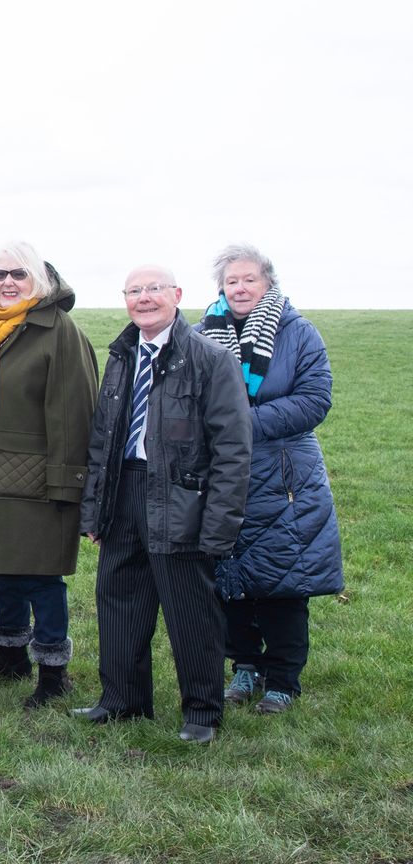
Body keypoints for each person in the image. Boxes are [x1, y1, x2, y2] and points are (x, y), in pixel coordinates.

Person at [72, 264, 251, 744]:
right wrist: (94, 510)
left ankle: (202, 712)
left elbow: (234, 451)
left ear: (177, 295)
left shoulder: (211, 360)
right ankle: (122, 701)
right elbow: (102, 438)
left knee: (190, 609)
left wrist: (218, 528)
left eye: (154, 289)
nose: (144, 298)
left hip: (180, 496)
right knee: (118, 600)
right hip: (124, 491)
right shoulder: (121, 355)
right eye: (134, 290)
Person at [198, 244, 343, 715]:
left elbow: (314, 400)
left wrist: (238, 422)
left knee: (285, 579)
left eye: (249, 280)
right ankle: (244, 665)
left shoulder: (297, 333)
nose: (239, 288)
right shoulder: (202, 333)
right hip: (222, 473)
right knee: (230, 574)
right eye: (231, 281)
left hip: (284, 478)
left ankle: (283, 678)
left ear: (268, 283)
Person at [0, 242, 99, 708]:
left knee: (40, 574)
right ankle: (9, 655)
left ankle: (53, 673)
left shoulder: (58, 331)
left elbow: (74, 413)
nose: (8, 282)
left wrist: (66, 483)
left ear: (39, 280)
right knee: (4, 567)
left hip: (36, 476)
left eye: (18, 274)